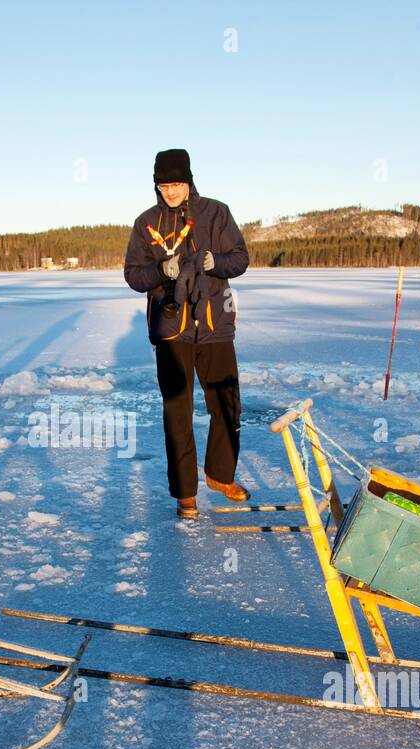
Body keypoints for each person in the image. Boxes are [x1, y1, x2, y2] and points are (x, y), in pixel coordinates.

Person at [123, 148, 250, 519]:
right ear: (156, 186)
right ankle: (185, 494)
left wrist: (217, 263)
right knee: (177, 412)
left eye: (176, 184)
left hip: (215, 326)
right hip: (171, 330)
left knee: (227, 403)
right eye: (164, 185)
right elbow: (134, 276)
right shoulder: (146, 223)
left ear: (189, 181)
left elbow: (241, 259)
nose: (171, 192)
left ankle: (220, 475)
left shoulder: (216, 212)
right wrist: (163, 269)